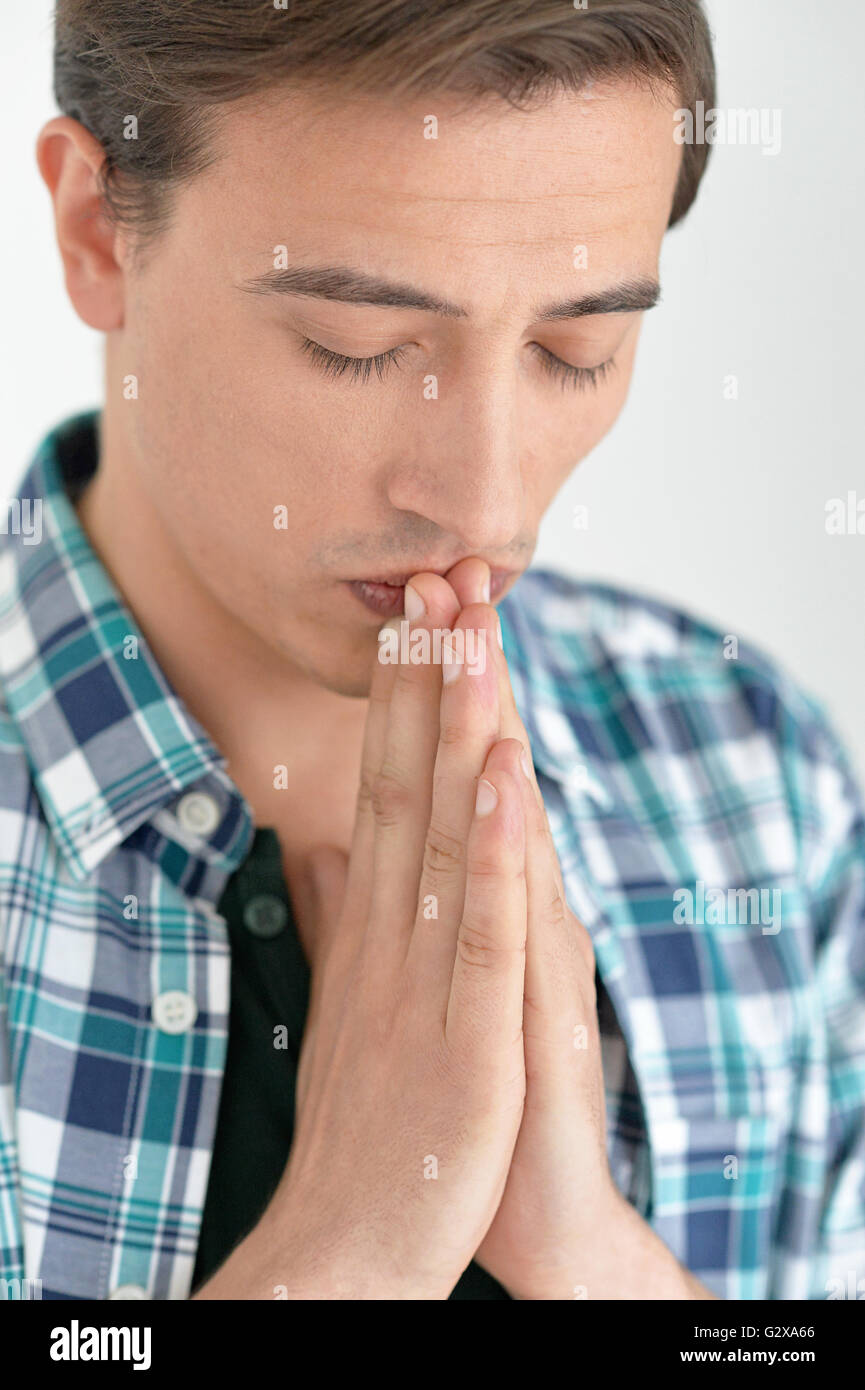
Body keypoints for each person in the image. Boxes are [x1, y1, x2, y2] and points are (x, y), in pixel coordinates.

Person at [0, 0, 862, 1302]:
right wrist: (344, 1248)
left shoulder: (756, 788)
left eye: (576, 351)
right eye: (355, 347)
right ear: (95, 229)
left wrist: (587, 1263)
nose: (484, 507)